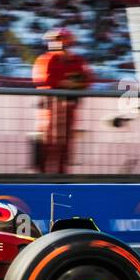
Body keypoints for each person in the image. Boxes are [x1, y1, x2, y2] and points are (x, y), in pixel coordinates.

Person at [31, 27, 91, 174]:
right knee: (48, 140)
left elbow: (87, 79)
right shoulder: (45, 59)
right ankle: (43, 176)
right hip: (50, 107)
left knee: (65, 142)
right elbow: (44, 79)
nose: (57, 43)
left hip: (69, 106)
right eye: (54, 40)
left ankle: (62, 176)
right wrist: (69, 82)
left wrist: (69, 83)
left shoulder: (77, 60)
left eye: (61, 40)